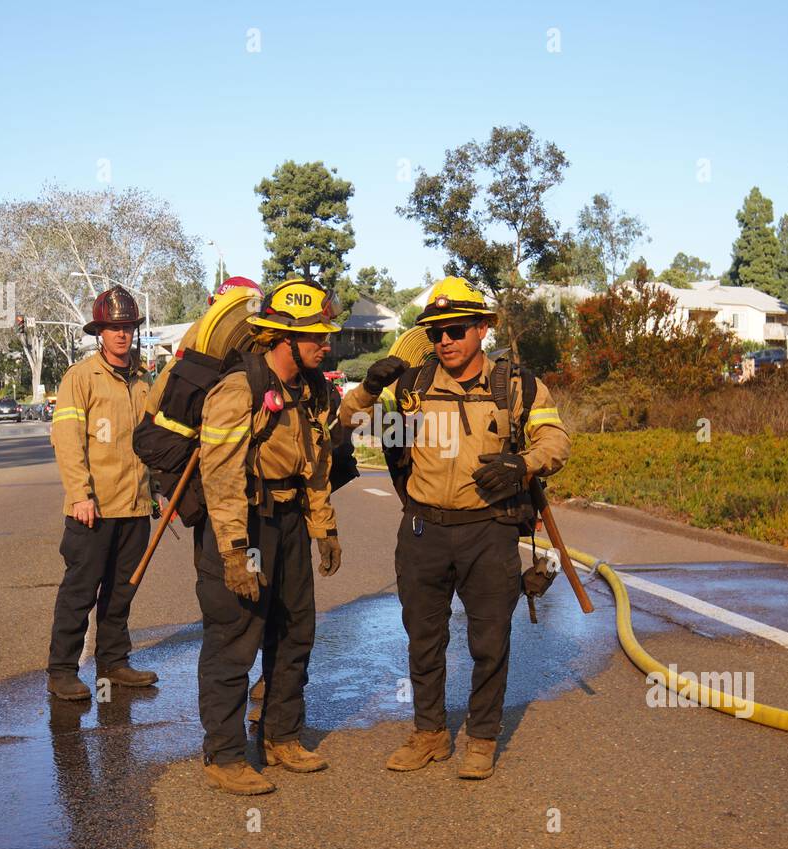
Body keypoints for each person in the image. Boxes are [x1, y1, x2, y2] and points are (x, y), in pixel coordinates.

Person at [338, 276, 571, 780]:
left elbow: (556, 441)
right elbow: (347, 424)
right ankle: (429, 734)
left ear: (482, 329)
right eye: (437, 330)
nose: (445, 339)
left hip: (489, 531)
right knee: (423, 638)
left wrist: (523, 466)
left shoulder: (518, 387)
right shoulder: (411, 389)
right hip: (423, 531)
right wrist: (369, 388)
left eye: (457, 329)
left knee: (489, 640)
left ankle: (482, 738)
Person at [195, 276, 344, 795]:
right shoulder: (239, 390)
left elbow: (318, 465)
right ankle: (226, 753)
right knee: (235, 640)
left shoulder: (315, 389)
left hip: (288, 523)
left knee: (294, 631)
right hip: (243, 523)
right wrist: (235, 550)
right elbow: (221, 476)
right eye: (317, 336)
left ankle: (280, 736)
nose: (327, 344)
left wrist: (322, 527)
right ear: (284, 338)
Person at [47, 286, 159, 701]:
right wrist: (80, 494)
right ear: (100, 333)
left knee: (121, 590)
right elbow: (68, 439)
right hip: (92, 508)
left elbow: (149, 442)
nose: (121, 334)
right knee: (80, 592)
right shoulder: (80, 378)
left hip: (134, 506)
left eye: (127, 326)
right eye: (113, 328)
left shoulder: (145, 381)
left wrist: (157, 489)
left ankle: (114, 663)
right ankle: (62, 671)